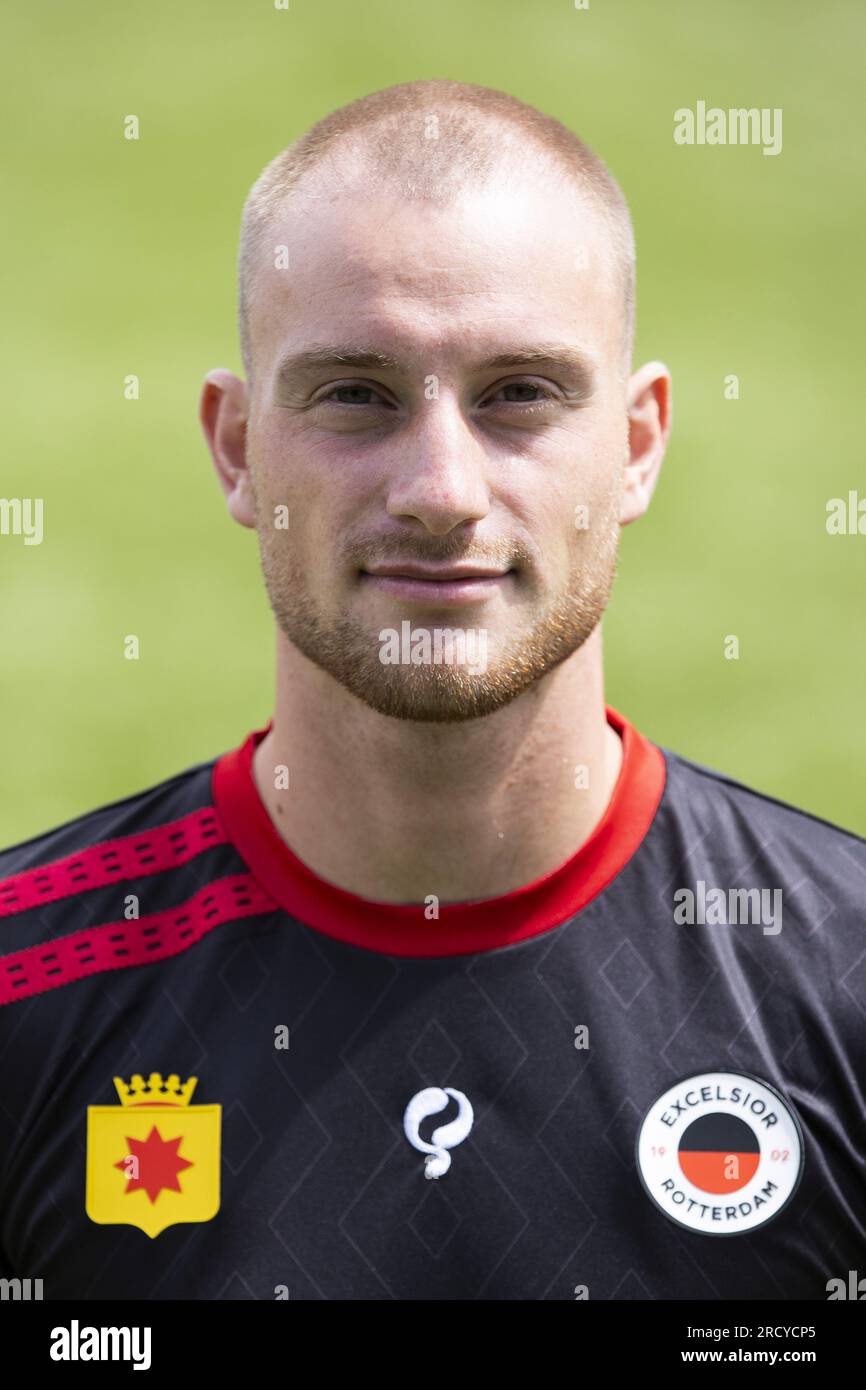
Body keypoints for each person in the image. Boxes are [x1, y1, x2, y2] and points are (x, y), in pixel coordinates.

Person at [0, 79, 863, 1301]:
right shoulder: (25, 981)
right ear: (239, 447)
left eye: (518, 394)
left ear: (636, 444)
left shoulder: (839, 975)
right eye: (356, 394)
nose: (441, 489)